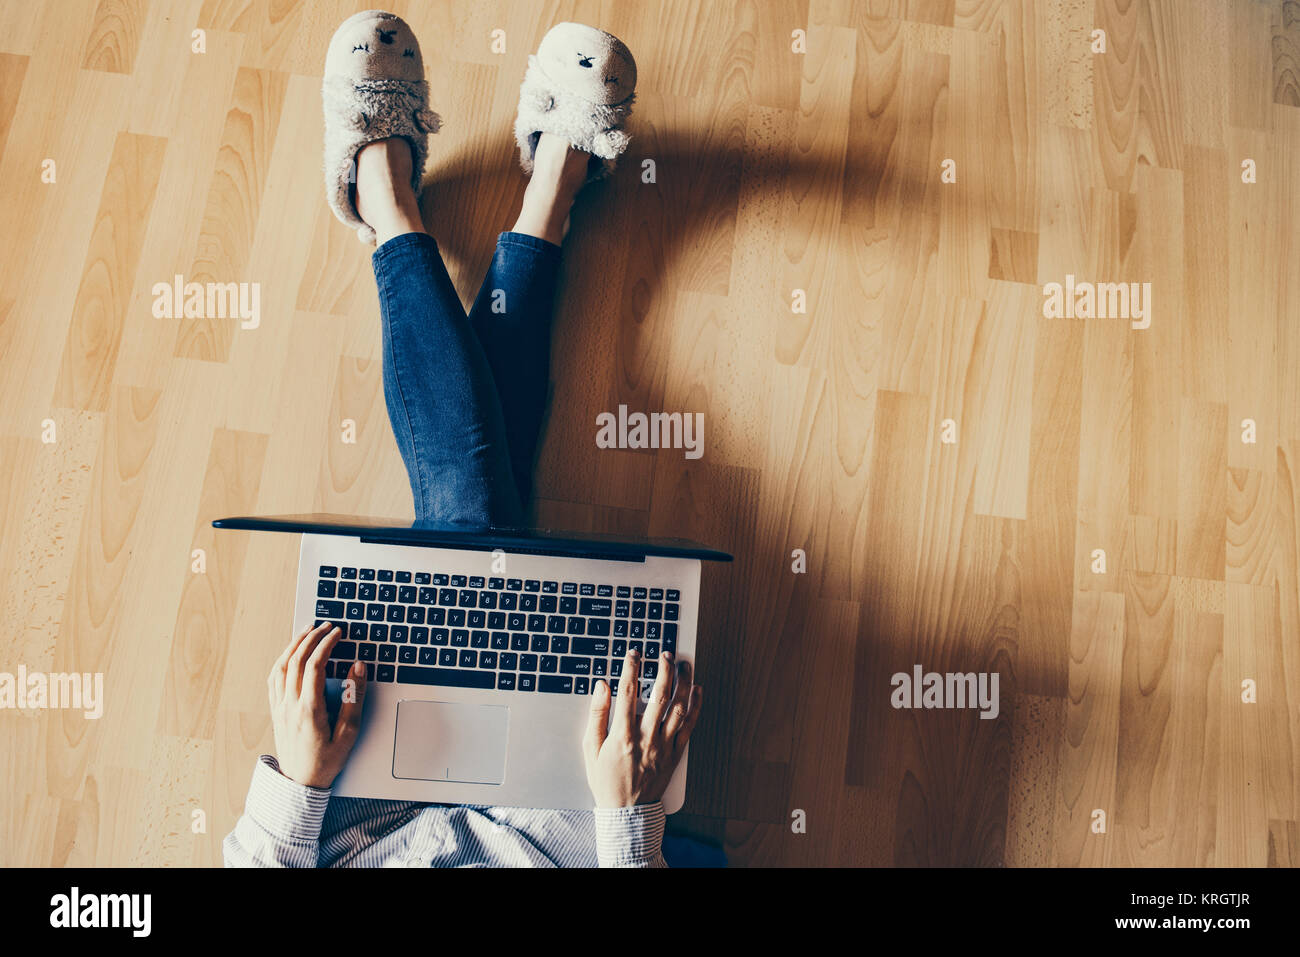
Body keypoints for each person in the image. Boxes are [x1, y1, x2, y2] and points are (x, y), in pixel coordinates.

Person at [223, 12, 704, 868]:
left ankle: (400, 194)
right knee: (483, 514)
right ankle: (486, 189)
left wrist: (297, 787)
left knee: (473, 520)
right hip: (555, 821)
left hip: (369, 814)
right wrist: (628, 824)